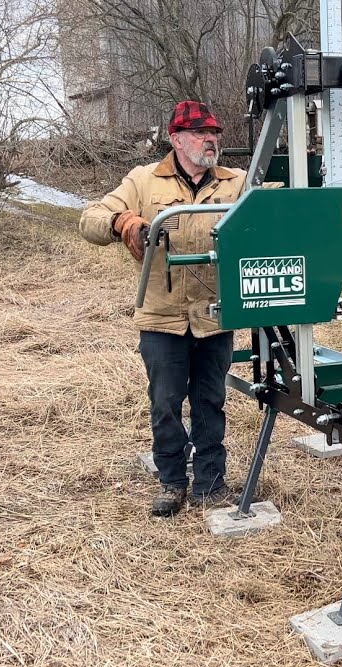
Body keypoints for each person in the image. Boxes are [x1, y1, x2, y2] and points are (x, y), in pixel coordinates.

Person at [79, 101, 246, 517]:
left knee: (210, 400)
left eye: (215, 134)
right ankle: (172, 482)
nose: (211, 141)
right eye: (199, 134)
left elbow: (280, 209)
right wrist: (122, 223)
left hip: (214, 314)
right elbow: (90, 218)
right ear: (175, 139)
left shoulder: (237, 182)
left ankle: (210, 483)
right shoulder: (143, 180)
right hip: (162, 317)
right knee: (166, 402)